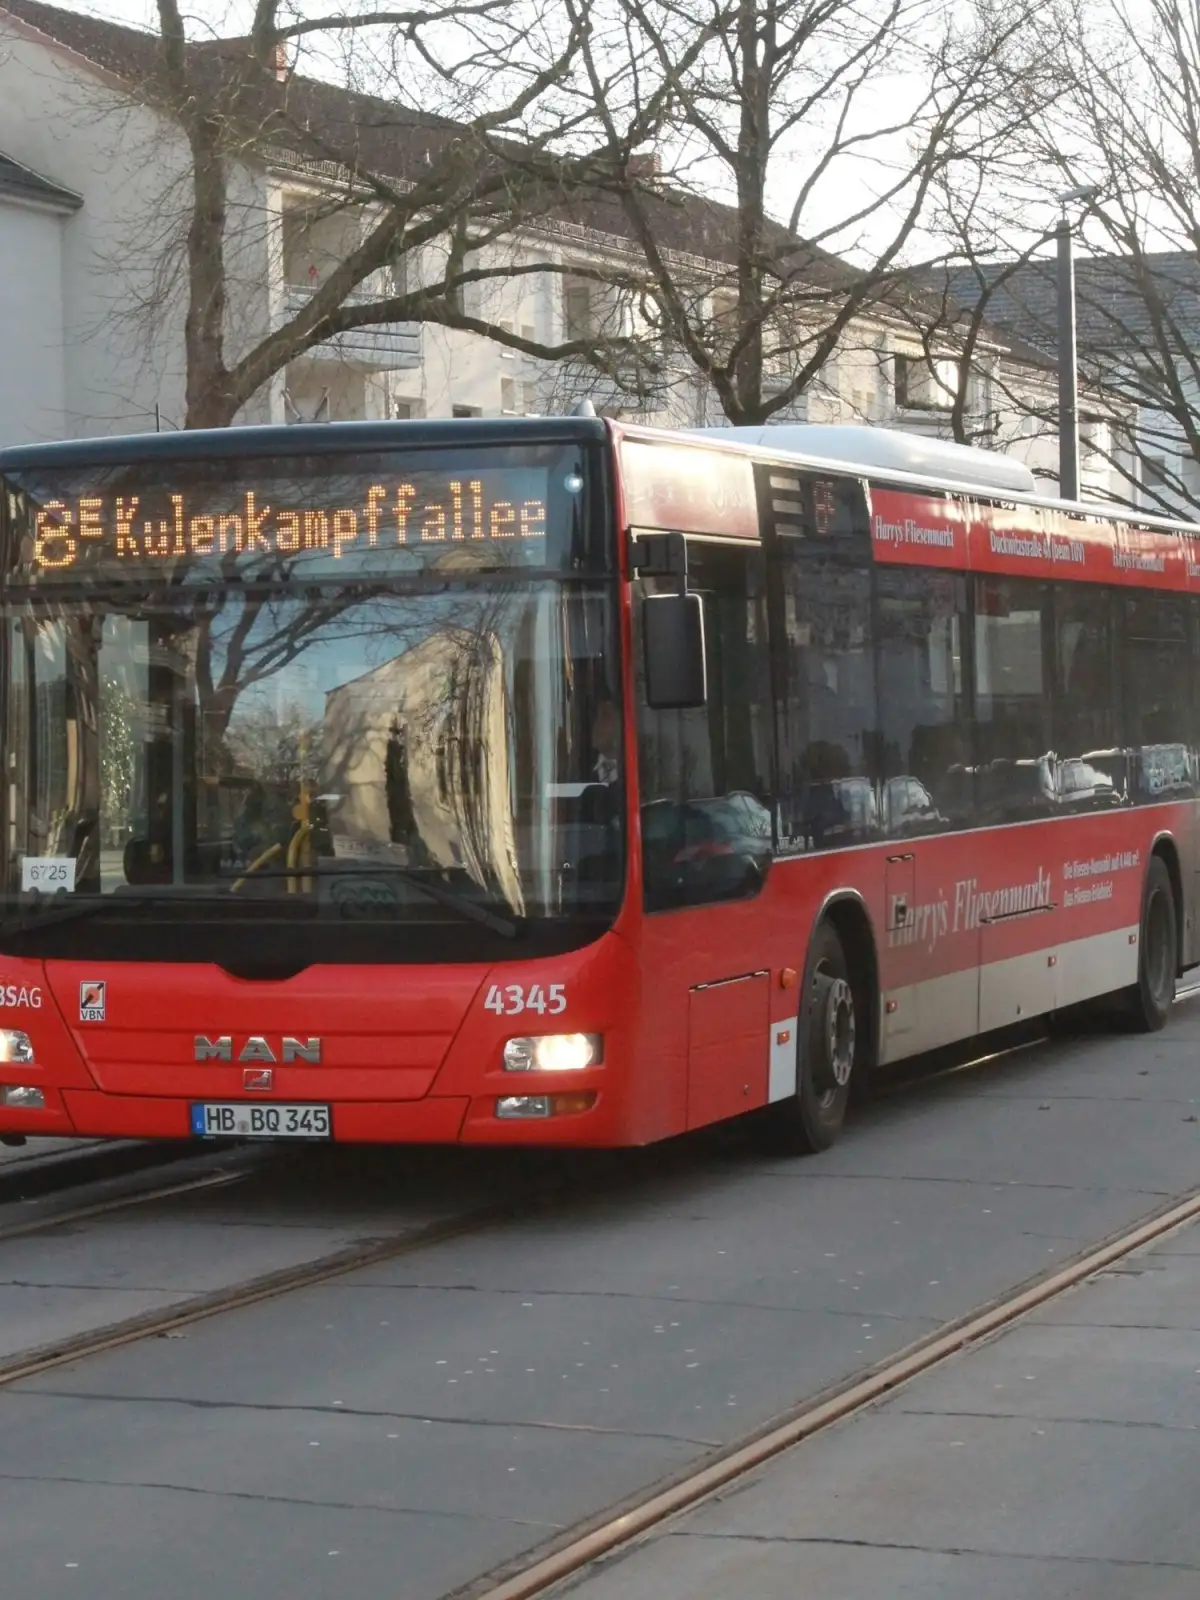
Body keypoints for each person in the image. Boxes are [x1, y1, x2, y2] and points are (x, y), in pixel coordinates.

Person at [591, 698, 620, 784]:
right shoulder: (583, 770)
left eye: (605, 715)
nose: (597, 723)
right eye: (596, 716)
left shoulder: (636, 771)